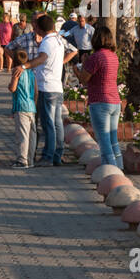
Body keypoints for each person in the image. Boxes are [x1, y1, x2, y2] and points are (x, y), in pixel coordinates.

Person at [25, 14, 77, 166]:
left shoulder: (47, 42)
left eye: (36, 27)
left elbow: (42, 58)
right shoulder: (58, 40)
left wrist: (25, 66)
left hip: (47, 87)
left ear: (40, 28)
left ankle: (48, 156)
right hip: (56, 86)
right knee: (56, 123)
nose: (35, 30)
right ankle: (57, 154)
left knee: (49, 124)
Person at [75, 26, 122, 168]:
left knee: (104, 140)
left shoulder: (95, 57)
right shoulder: (114, 56)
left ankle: (111, 172)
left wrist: (77, 69)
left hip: (100, 101)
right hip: (115, 101)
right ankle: (119, 167)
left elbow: (84, 79)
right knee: (113, 139)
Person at [9, 49, 37, 168]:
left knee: (22, 135)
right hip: (31, 107)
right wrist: (34, 103)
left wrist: (12, 82)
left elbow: (13, 88)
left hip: (20, 106)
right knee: (31, 135)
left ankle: (22, 160)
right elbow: (36, 91)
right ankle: (30, 160)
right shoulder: (31, 73)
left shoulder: (17, 71)